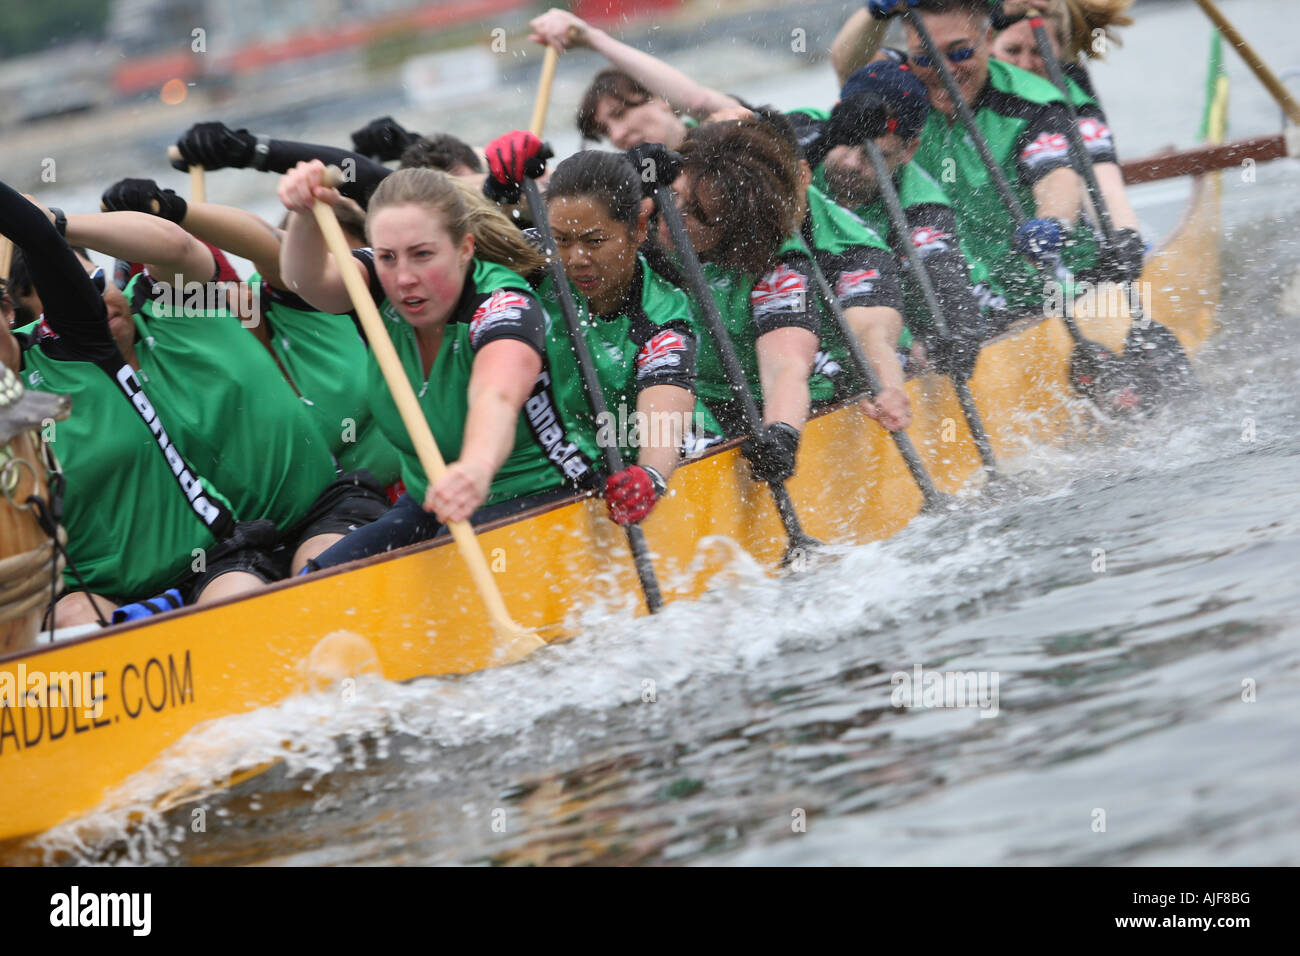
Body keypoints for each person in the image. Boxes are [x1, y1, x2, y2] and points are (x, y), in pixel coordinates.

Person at [280, 162, 639, 570]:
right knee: (320, 579)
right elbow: (302, 281)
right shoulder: (373, 287)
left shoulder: (502, 306)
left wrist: (475, 467)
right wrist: (306, 212)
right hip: (434, 495)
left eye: (422, 256)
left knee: (448, 568)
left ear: (465, 249)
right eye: (388, 257)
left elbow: (497, 395)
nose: (403, 279)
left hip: (542, 491)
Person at [51, 202, 378, 578]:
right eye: (69, 299)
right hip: (219, 558)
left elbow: (180, 247)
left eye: (94, 283)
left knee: (318, 570)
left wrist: (57, 222)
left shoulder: (174, 305)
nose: (92, 303)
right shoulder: (40, 377)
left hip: (324, 509)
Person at [0, 180, 268, 625]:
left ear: (9, 310)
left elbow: (40, 236)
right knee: (73, 620)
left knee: (238, 616)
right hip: (94, 599)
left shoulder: (73, 339)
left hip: (209, 562)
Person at [100, 177, 401, 489]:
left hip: (414, 485)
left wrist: (174, 206)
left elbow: (268, 246)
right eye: (215, 295)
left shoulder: (304, 296)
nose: (231, 298)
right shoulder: (196, 364)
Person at [487, 139, 711, 518]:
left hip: (664, 461)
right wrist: (496, 192)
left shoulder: (662, 316)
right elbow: (449, 241)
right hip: (580, 462)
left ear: (639, 228)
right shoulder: (537, 257)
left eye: (595, 241)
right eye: (561, 240)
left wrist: (652, 474)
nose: (575, 259)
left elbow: (664, 413)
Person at [789, 60, 996, 375]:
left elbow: (947, 288)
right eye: (847, 143)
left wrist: (956, 335)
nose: (852, 164)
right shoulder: (797, 134)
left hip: (948, 306)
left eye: (876, 156)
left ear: (909, 150)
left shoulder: (922, 207)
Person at [654, 118, 825, 484]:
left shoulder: (777, 266)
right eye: (675, 196)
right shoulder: (650, 215)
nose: (673, 216)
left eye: (697, 213)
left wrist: (782, 434)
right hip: (682, 394)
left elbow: (786, 369)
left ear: (735, 224)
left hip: (749, 404)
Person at [990, 0, 1144, 282]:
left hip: (1068, 266)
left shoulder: (1075, 103)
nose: (1024, 64)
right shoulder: (965, 88)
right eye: (1012, 51)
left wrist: (1125, 234)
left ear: (1059, 51)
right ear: (988, 44)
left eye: (1038, 52)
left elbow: (1102, 183)